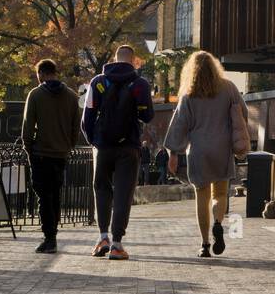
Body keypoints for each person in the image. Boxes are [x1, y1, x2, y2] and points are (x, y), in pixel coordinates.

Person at [163, 51, 250, 259]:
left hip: (198, 150)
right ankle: (218, 223)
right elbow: (244, 113)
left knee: (201, 196)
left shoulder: (188, 93)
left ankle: (204, 244)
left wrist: (173, 153)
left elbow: (179, 125)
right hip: (222, 148)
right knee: (220, 194)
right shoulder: (228, 87)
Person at [82, 44, 156, 261]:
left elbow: (87, 117)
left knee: (102, 190)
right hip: (129, 147)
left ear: (114, 59)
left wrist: (95, 141)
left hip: (103, 147)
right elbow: (148, 116)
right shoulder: (140, 84)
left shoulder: (98, 81)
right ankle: (117, 244)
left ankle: (102, 237)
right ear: (133, 61)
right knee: (123, 194)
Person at [21, 59, 82, 253]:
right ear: (55, 72)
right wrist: (68, 145)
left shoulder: (36, 95)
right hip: (61, 154)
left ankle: (49, 238)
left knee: (43, 196)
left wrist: (28, 148)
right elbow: (76, 127)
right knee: (55, 195)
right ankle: (52, 234)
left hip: (41, 154)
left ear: (41, 73)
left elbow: (28, 127)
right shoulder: (72, 97)